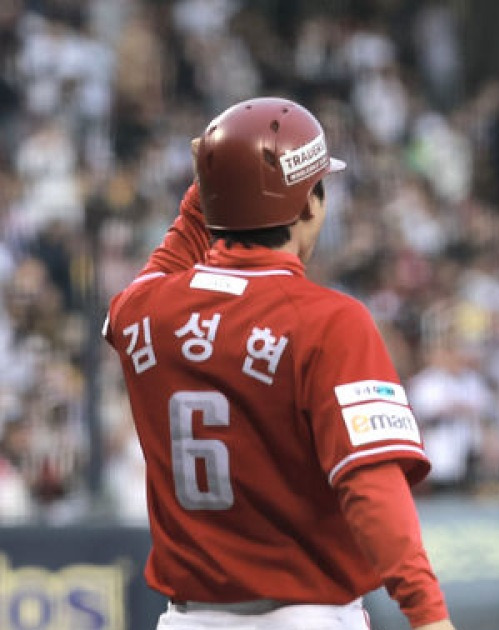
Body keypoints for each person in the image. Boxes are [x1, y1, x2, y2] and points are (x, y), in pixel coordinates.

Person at [103, 97, 455, 630]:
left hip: (187, 621)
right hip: (305, 617)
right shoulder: (331, 321)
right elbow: (371, 485)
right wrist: (427, 615)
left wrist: (213, 191)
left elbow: (166, 263)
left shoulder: (143, 310)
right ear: (308, 203)